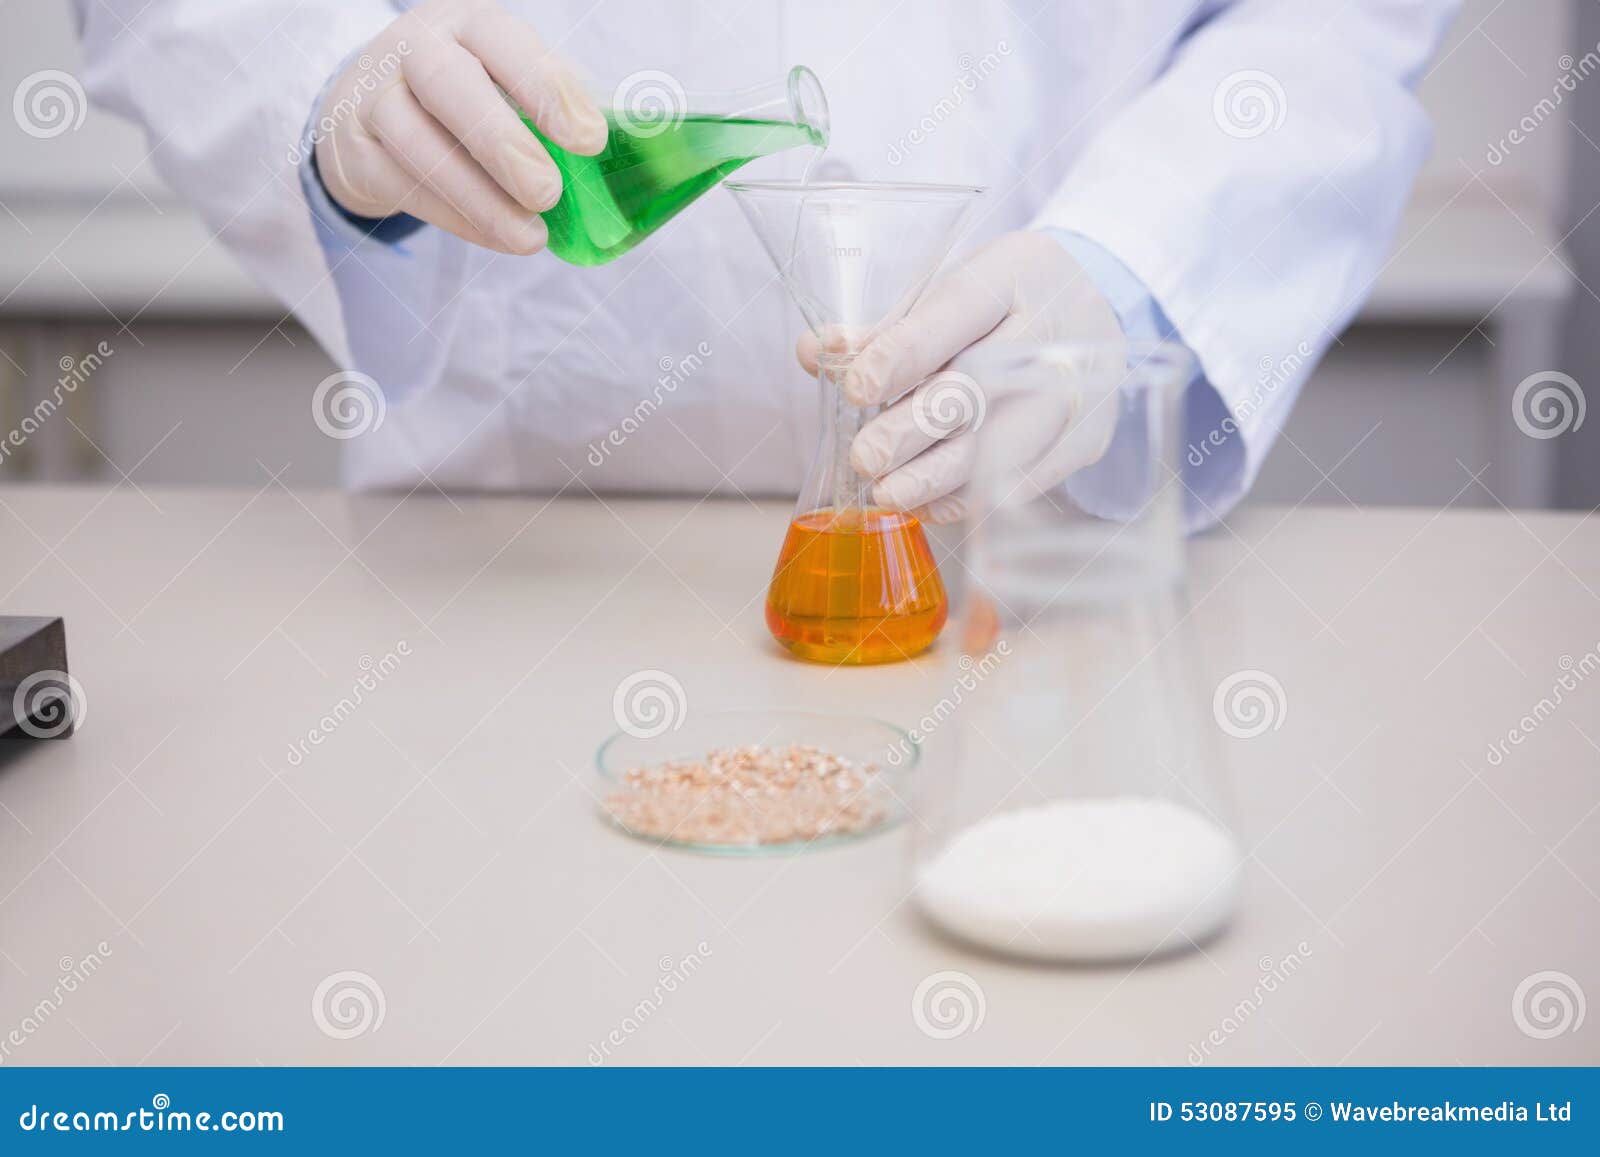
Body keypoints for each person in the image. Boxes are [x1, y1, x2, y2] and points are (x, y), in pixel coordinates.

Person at [74, 0, 1458, 527]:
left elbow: (1329, 26)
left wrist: (1128, 264)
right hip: (511, 554)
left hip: (1031, 547)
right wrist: (327, 86)